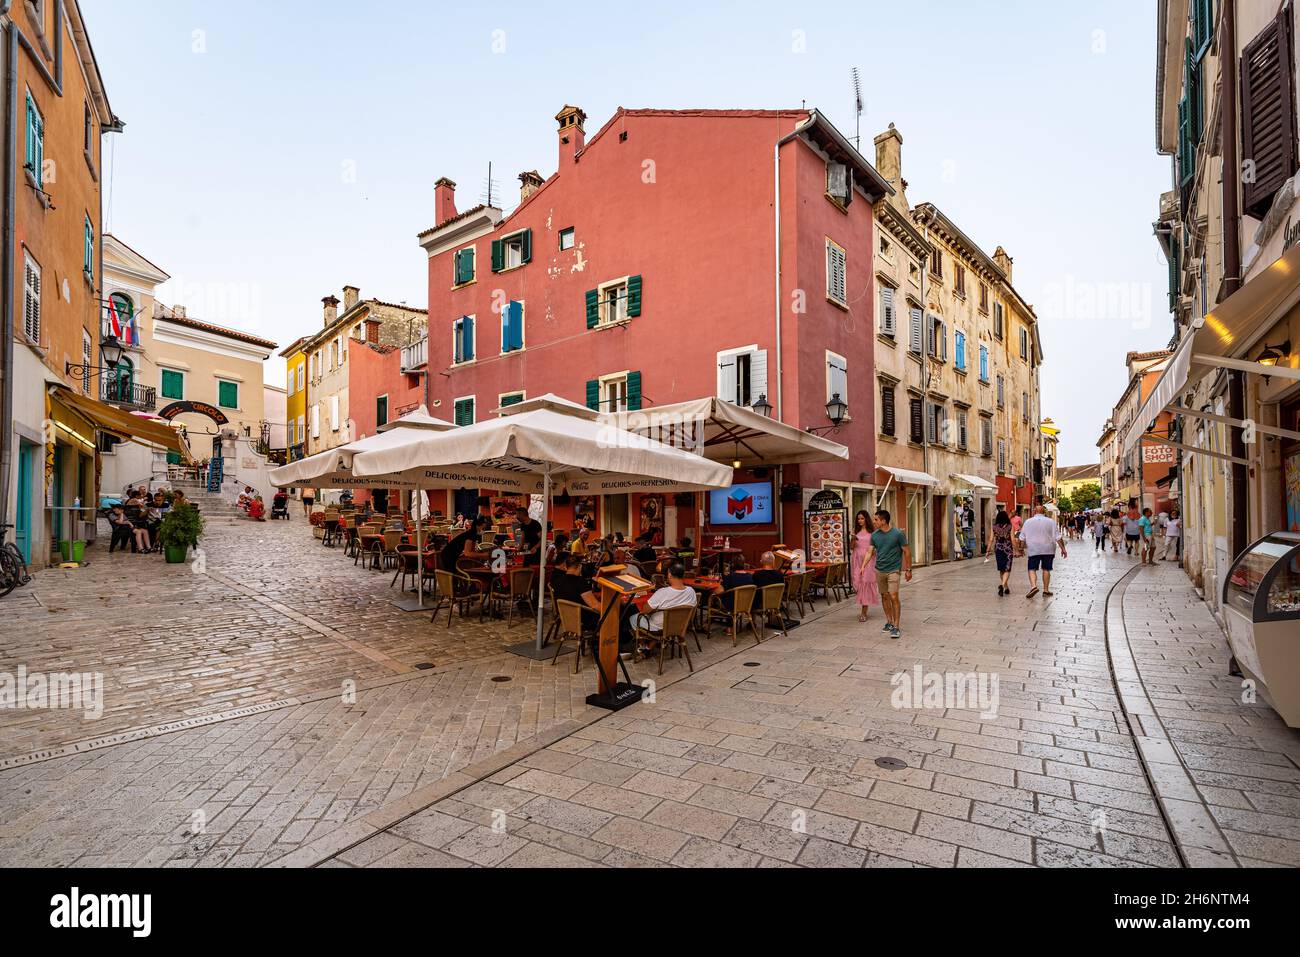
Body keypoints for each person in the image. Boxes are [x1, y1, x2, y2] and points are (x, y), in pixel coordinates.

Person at [861, 509, 911, 639]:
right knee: (884, 596)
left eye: (876, 519)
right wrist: (863, 566)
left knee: (893, 596)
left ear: (883, 521)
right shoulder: (875, 535)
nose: (874, 522)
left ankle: (896, 626)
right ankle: (889, 621)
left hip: (894, 570)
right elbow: (869, 552)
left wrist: (909, 570)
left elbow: (906, 551)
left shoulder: (898, 534)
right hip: (879, 570)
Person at [630, 561, 698, 650]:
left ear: (669, 575)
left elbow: (645, 610)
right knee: (656, 616)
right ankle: (650, 646)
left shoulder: (663, 592)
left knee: (633, 618)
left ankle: (643, 647)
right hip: (680, 625)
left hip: (659, 628)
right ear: (683, 575)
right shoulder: (691, 591)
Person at [1019, 504, 1067, 597]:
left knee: (1032, 568)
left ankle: (1033, 586)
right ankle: (1046, 590)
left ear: (1034, 511)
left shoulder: (1028, 522)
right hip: (1048, 549)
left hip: (1033, 549)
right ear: (1044, 512)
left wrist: (1021, 549)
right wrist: (1063, 549)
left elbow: (1022, 538)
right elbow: (1058, 537)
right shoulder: (1051, 522)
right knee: (1046, 569)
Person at [851, 509, 882, 621]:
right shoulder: (855, 531)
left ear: (866, 519)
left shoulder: (873, 532)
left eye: (862, 518)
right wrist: (853, 539)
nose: (860, 520)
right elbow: (851, 547)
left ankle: (863, 613)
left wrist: (872, 553)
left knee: (865, 583)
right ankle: (864, 604)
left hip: (868, 561)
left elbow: (876, 547)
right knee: (857, 583)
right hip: (857, 560)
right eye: (858, 518)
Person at [992, 509, 1015, 596]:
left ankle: (1006, 587)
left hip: (998, 549)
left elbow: (991, 539)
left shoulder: (994, 527)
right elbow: (1012, 539)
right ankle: (1002, 585)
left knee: (1002, 569)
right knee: (1007, 569)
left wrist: (987, 551)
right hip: (1008, 550)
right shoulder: (1010, 526)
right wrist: (1017, 550)